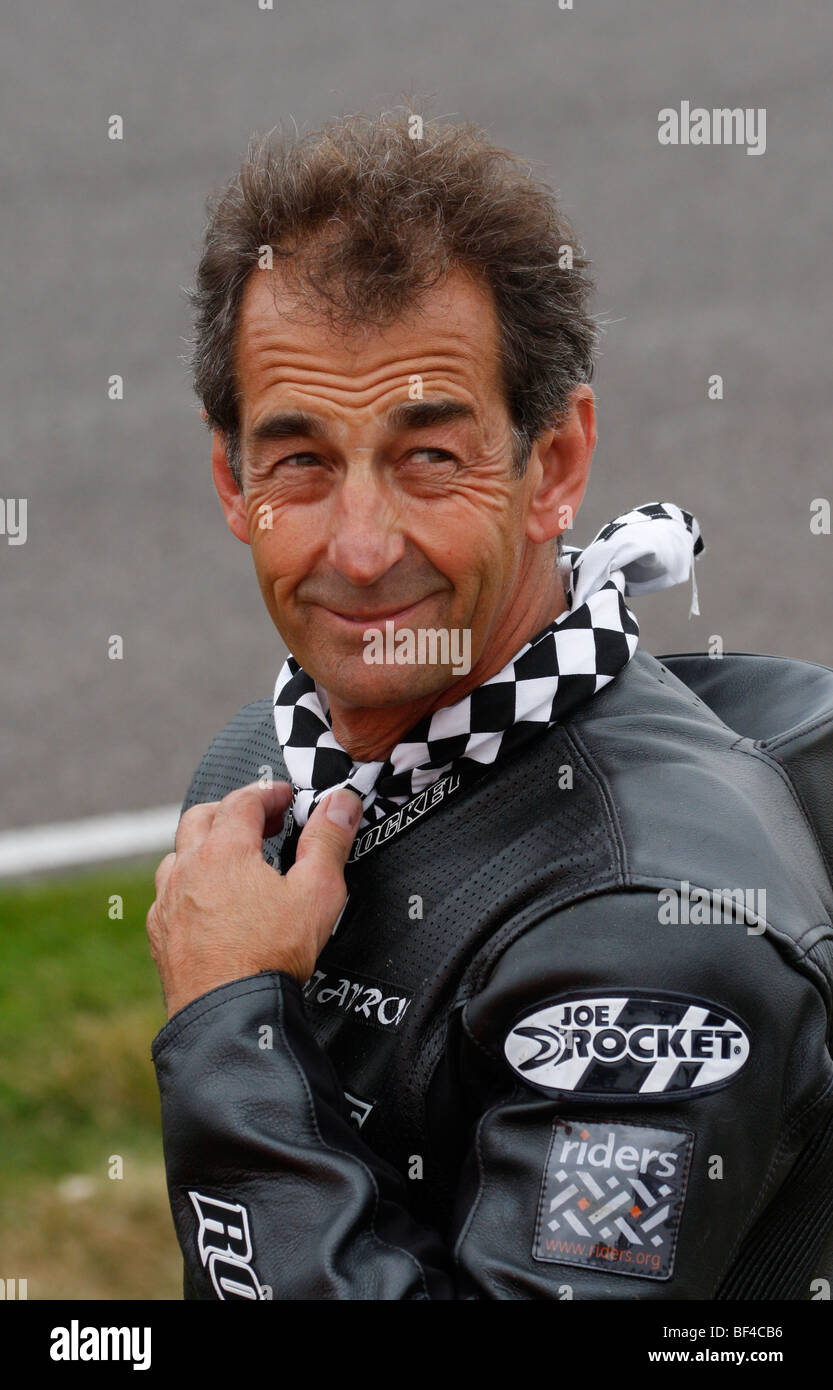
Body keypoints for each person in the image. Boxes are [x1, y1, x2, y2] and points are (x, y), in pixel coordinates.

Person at [147, 111, 833, 1299]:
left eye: (428, 456)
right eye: (300, 460)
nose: (359, 552)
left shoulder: (658, 937)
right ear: (232, 483)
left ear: (553, 465)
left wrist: (229, 1035)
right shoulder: (260, 766)